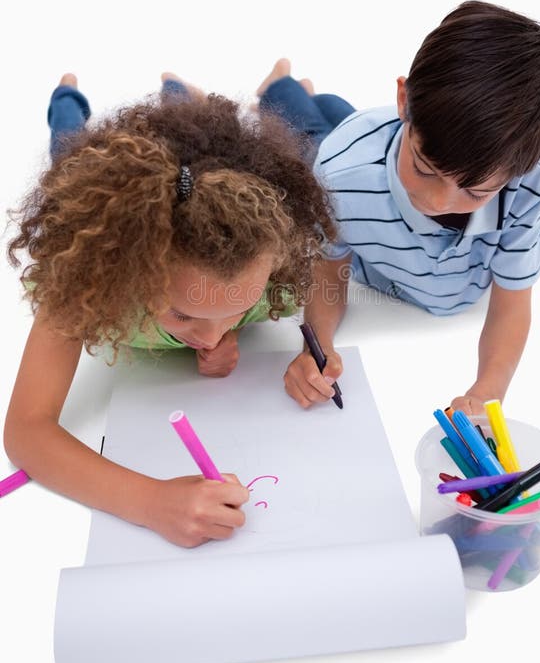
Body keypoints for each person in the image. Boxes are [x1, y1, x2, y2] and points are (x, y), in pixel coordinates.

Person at [4, 73, 336, 547]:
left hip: (184, 172)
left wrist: (236, 333)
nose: (210, 336)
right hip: (97, 183)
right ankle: (66, 94)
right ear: (127, 272)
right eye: (183, 315)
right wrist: (151, 502)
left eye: (236, 312)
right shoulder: (83, 282)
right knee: (68, 150)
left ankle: (180, 94)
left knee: (188, 133)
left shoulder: (258, 264)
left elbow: (238, 306)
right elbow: (25, 431)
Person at [257, 1, 540, 415]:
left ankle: (323, 99)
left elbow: (513, 302)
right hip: (348, 158)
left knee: (336, 123)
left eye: (475, 192)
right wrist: (317, 345)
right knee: (309, 137)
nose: (438, 202)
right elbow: (329, 272)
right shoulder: (340, 171)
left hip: (371, 145)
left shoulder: (530, 183)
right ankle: (279, 85)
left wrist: (488, 391)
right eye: (425, 169)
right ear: (404, 100)